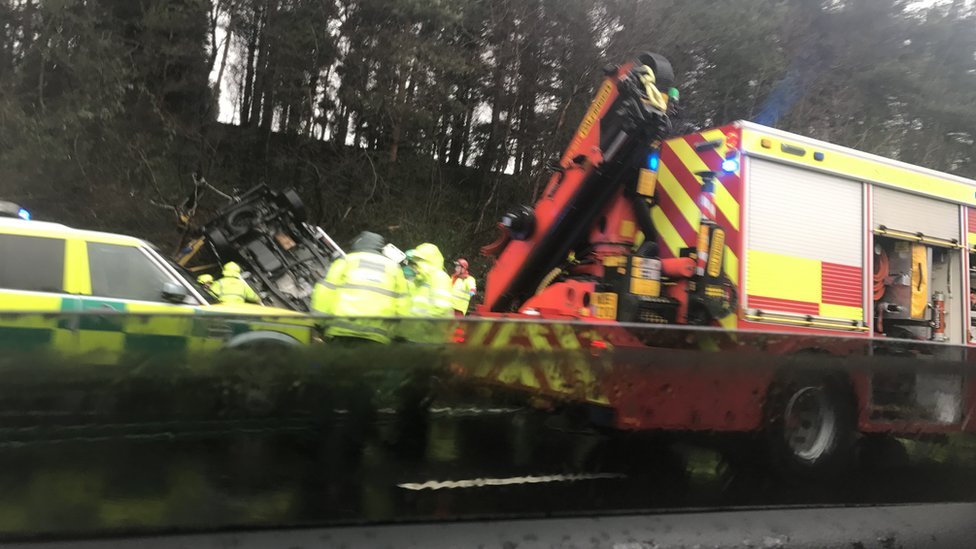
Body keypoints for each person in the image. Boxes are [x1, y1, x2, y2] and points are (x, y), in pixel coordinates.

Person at [310, 231, 408, 344]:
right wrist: (397, 334)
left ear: (358, 243)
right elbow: (403, 306)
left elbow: (325, 293)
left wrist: (320, 322)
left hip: (341, 332)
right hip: (376, 337)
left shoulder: (346, 261)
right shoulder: (394, 268)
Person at [399, 243, 454, 343]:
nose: (415, 263)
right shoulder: (418, 280)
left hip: (429, 339)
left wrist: (418, 330)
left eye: (419, 260)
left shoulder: (439, 277)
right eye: (415, 260)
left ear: (428, 261)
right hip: (412, 337)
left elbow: (440, 308)